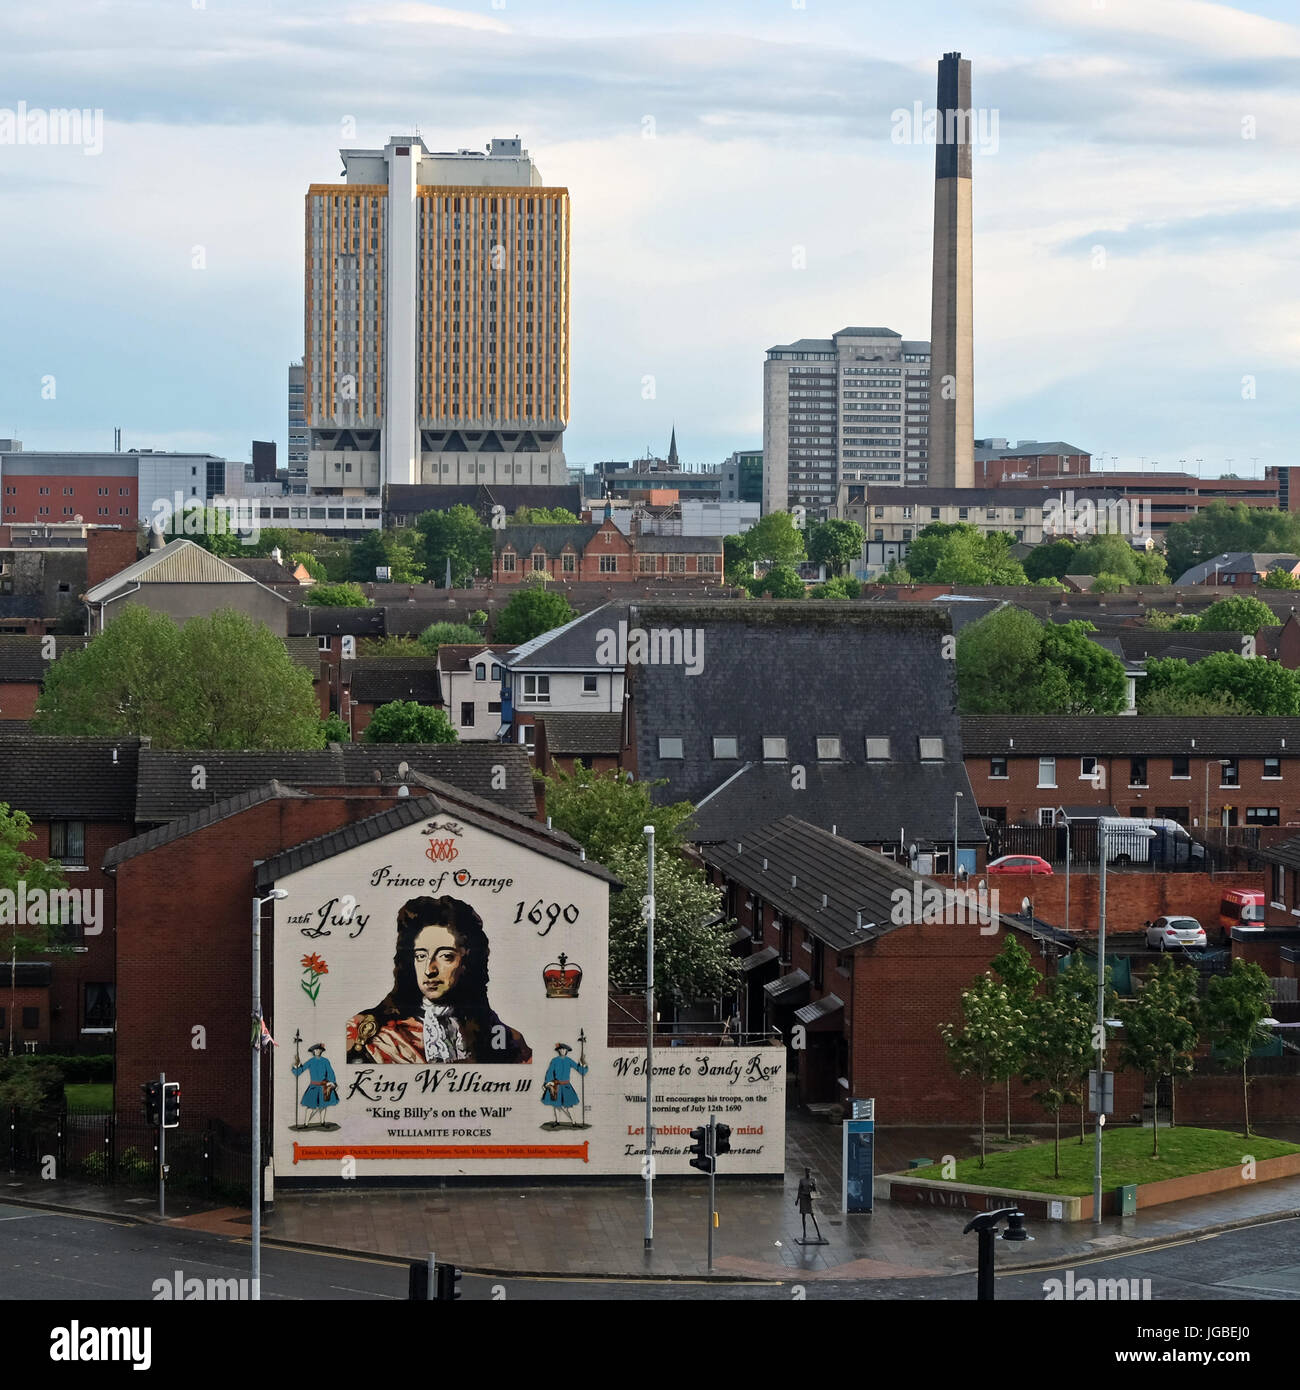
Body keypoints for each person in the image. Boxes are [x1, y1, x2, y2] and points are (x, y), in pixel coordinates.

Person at [347, 896, 531, 1064]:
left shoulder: (499, 1034)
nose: (429, 970)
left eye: (445, 956)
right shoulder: (370, 1030)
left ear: (467, 962)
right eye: (420, 956)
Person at [291, 1043, 340, 1128]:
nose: (317, 1051)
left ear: (321, 1051)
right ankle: (306, 1124)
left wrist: (333, 1082)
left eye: (319, 1050)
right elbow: (301, 1070)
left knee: (323, 1106)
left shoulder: (325, 1061)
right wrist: (296, 1066)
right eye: (316, 1050)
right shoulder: (311, 1061)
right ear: (313, 1051)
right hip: (313, 1087)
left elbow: (330, 1072)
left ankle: (322, 1122)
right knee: (310, 1106)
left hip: (324, 1086)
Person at [540, 1042, 588, 1128]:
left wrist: (583, 1063)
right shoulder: (554, 1060)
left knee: (569, 1105)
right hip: (556, 1086)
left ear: (566, 1051)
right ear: (558, 1051)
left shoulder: (569, 1060)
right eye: (560, 1049)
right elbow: (550, 1072)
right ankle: (557, 1121)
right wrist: (546, 1083)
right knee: (556, 1104)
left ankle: (574, 1122)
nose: (562, 1051)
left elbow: (580, 1070)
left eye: (564, 1049)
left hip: (566, 1086)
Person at [795, 1166, 822, 1241]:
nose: (807, 1173)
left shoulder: (813, 1180)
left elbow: (815, 1191)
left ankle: (818, 1233)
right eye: (806, 1172)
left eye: (808, 1172)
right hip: (803, 1198)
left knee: (813, 1215)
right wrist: (797, 1200)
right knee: (803, 1216)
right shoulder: (802, 1180)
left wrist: (813, 1187)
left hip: (809, 1199)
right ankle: (804, 1233)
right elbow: (799, 1190)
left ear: (810, 1172)